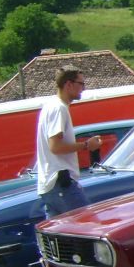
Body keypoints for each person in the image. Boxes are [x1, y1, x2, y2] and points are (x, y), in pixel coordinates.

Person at [36, 64, 102, 218]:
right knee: (88, 226)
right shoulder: (59, 108)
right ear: (68, 84)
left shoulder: (50, 106)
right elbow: (55, 147)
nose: (83, 88)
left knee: (59, 238)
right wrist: (87, 145)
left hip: (50, 185)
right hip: (60, 183)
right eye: (81, 84)